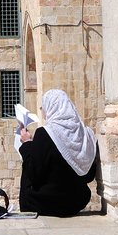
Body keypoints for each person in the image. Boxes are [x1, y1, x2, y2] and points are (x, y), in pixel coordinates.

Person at [18, 89, 97, 217]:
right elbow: (89, 176)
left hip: (47, 203)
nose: (43, 114)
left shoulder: (44, 134)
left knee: (28, 166)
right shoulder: (86, 134)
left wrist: (27, 144)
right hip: (78, 202)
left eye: (42, 108)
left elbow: (33, 174)